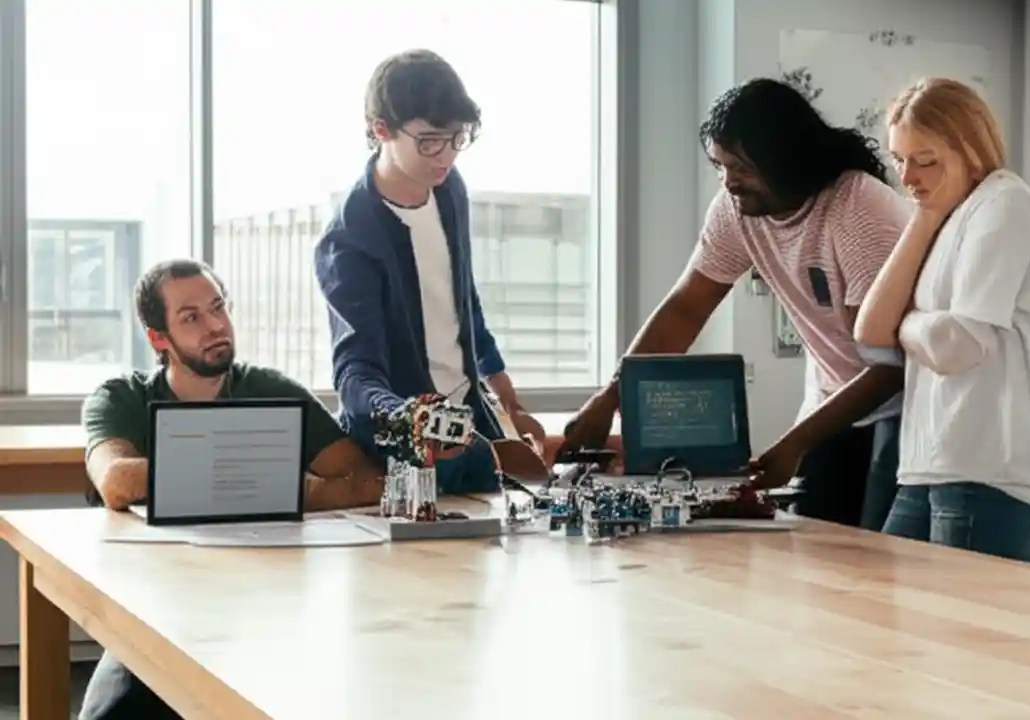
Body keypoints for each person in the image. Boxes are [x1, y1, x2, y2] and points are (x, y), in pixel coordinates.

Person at [560, 78, 910, 529]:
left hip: (902, 408)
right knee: (821, 553)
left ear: (786, 158)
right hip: (833, 406)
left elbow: (887, 366)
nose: (729, 181)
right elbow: (686, 308)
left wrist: (795, 443)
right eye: (719, 166)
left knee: (880, 562)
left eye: (740, 167)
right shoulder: (735, 210)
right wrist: (611, 396)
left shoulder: (858, 207)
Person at [79, 258, 385, 719]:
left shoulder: (272, 389)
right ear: (158, 338)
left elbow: (362, 481)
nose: (215, 325)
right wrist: (269, 477)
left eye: (218, 308)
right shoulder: (121, 396)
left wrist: (282, 488)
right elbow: (116, 481)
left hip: (265, 600)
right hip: (157, 601)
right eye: (191, 317)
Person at [853, 77, 1030, 562]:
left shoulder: (1004, 203)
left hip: (990, 467)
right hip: (933, 461)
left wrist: (907, 322)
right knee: (893, 615)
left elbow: (957, 346)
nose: (908, 176)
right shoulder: (948, 215)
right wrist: (924, 218)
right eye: (899, 160)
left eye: (925, 160)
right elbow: (870, 332)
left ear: (970, 147)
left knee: (959, 632)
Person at [314, 49, 546, 491]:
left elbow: (462, 303)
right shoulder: (347, 239)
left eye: (458, 137)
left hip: (474, 426)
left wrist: (507, 399)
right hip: (408, 450)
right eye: (430, 142)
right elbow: (355, 375)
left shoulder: (448, 189)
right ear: (381, 130)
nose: (446, 156)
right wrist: (413, 418)